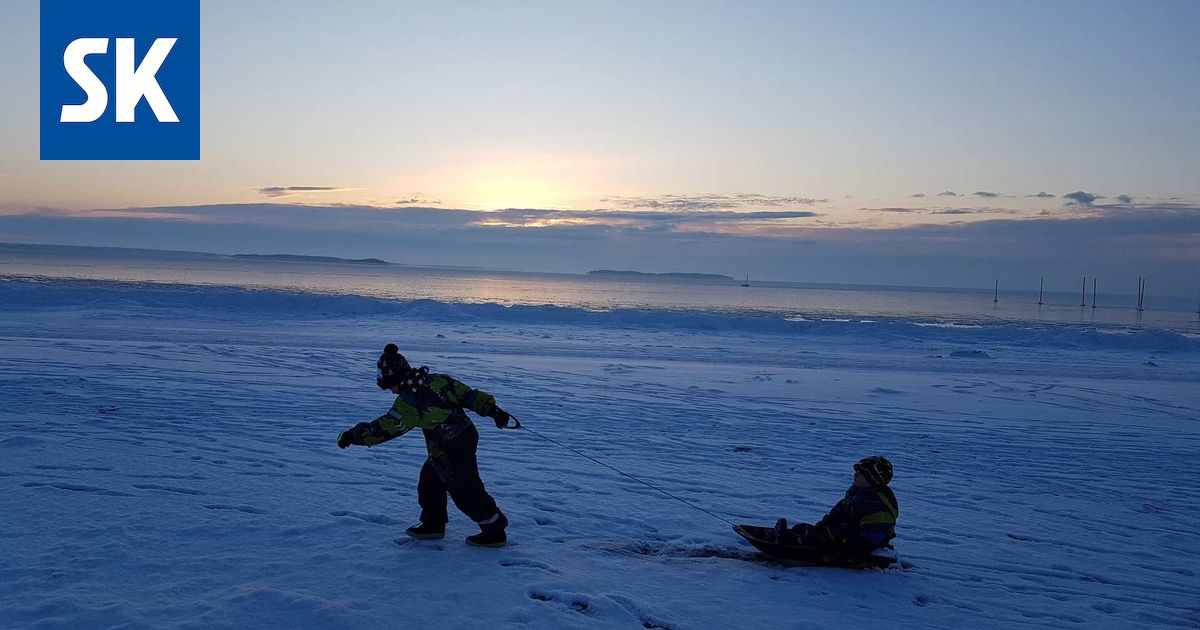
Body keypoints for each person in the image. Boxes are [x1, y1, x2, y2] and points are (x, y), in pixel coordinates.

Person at [337, 344, 517, 547]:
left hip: (454, 444)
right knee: (430, 481)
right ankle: (433, 524)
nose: (391, 392)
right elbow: (468, 395)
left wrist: (353, 436)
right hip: (451, 441)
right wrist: (493, 411)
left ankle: (494, 529)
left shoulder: (410, 400)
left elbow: (386, 427)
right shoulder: (436, 380)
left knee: (464, 487)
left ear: (395, 379)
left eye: (390, 387)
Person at [775, 455, 899, 557]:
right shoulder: (856, 493)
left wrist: (840, 533)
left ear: (873, 480)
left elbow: (873, 535)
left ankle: (801, 544)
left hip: (865, 543)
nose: (855, 475)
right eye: (856, 472)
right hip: (848, 533)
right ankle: (798, 536)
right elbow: (839, 511)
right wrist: (824, 525)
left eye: (861, 474)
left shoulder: (878, 503)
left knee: (825, 539)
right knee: (815, 531)